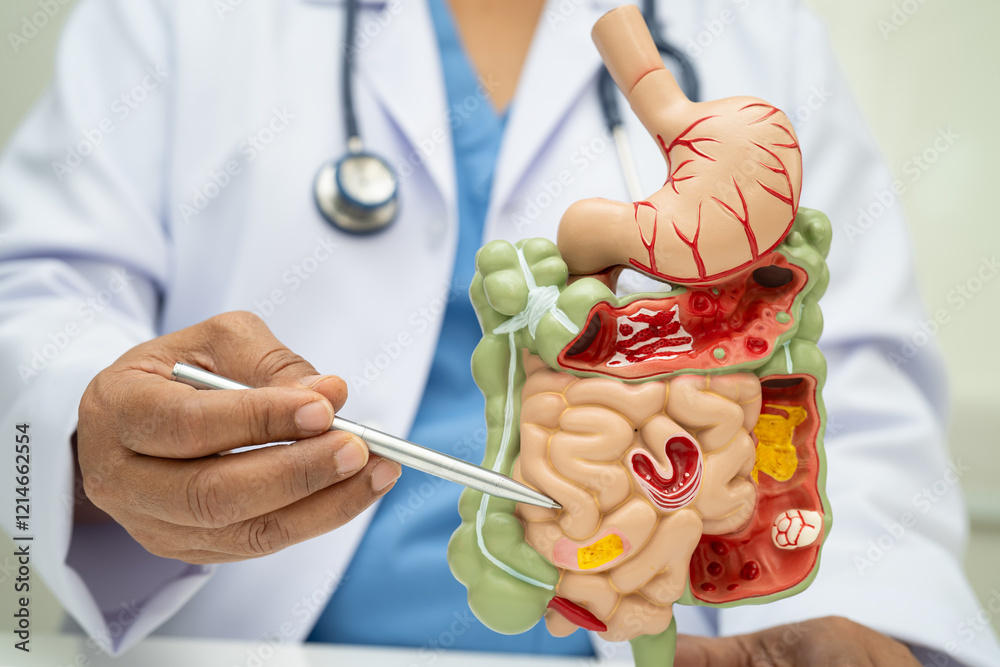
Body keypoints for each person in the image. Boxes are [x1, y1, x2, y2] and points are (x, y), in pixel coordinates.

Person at [0, 0, 997, 664]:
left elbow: (851, 405)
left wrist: (878, 627)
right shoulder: (173, 16)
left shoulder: (757, 27)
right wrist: (90, 433)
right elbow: (33, 300)